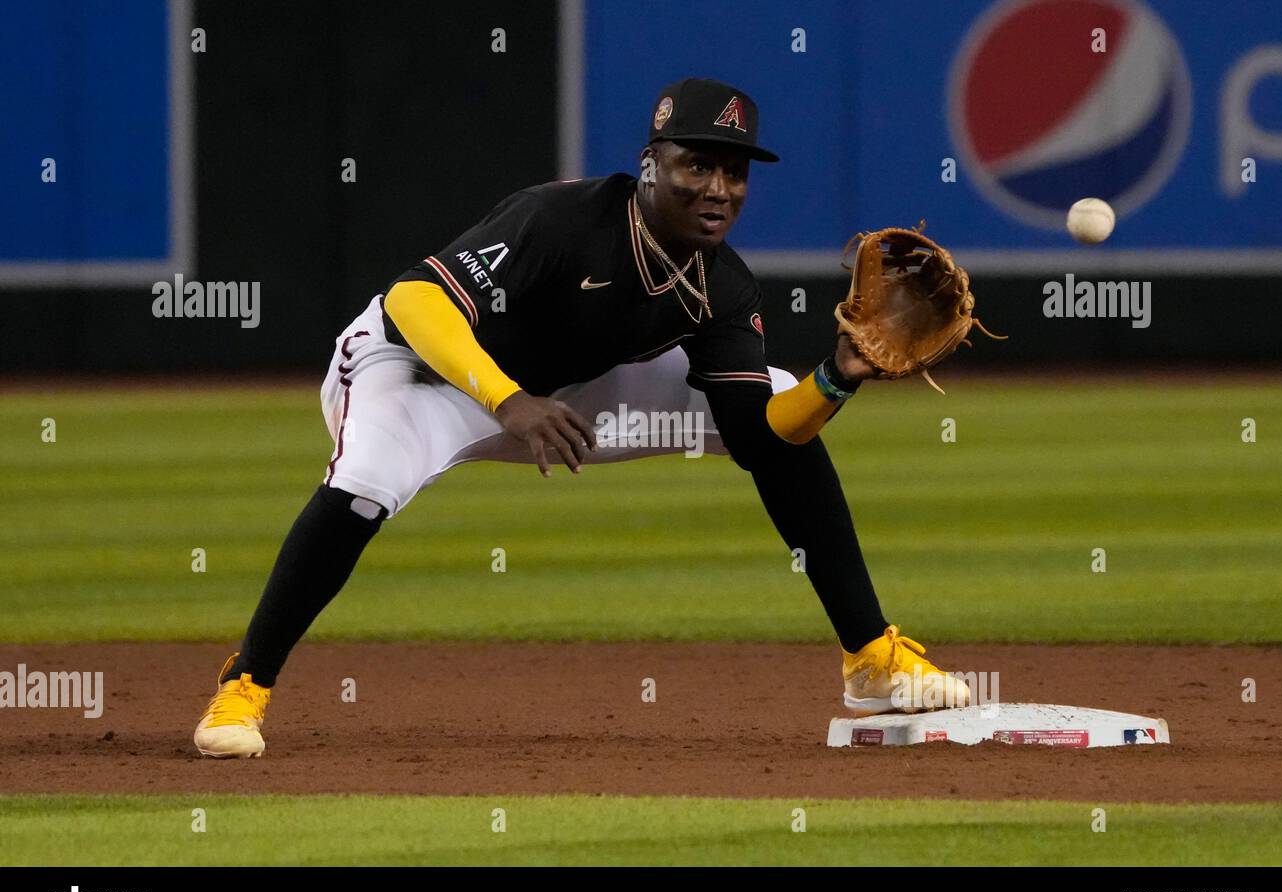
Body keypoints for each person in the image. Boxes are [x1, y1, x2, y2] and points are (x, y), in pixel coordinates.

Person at [194, 78, 969, 759]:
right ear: (649, 165)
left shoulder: (722, 287)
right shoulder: (560, 220)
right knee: (364, 483)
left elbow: (758, 436)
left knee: (774, 395)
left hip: (569, 392)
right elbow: (413, 300)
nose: (717, 188)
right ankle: (246, 682)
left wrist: (836, 378)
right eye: (695, 164)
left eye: (732, 172)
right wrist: (509, 401)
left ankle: (872, 660)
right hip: (423, 374)